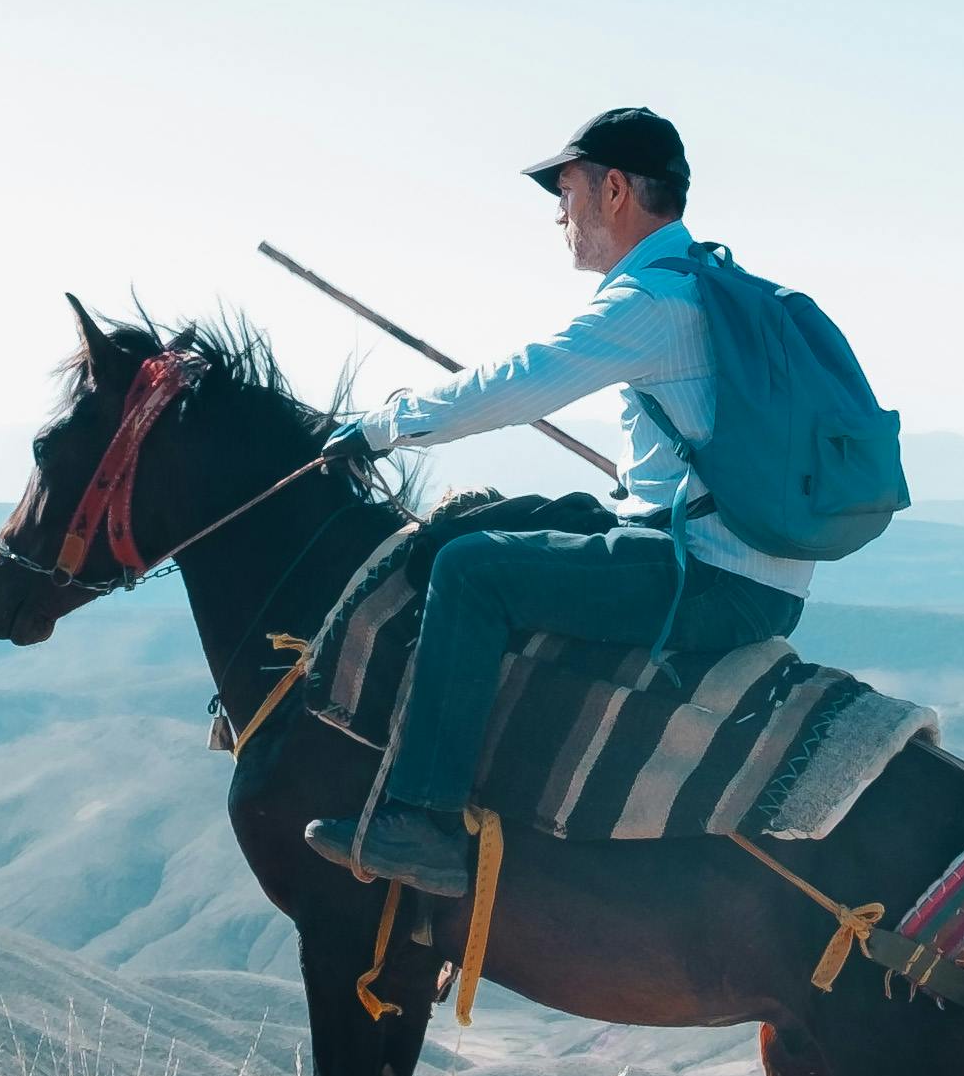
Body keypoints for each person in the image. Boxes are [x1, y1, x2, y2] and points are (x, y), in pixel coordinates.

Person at [302, 107, 810, 895]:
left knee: (472, 571)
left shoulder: (650, 303)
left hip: (710, 578)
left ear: (613, 190)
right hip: (741, 562)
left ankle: (424, 819)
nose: (559, 215)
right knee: (516, 519)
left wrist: (382, 428)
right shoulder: (711, 285)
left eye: (565, 192)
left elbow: (519, 381)